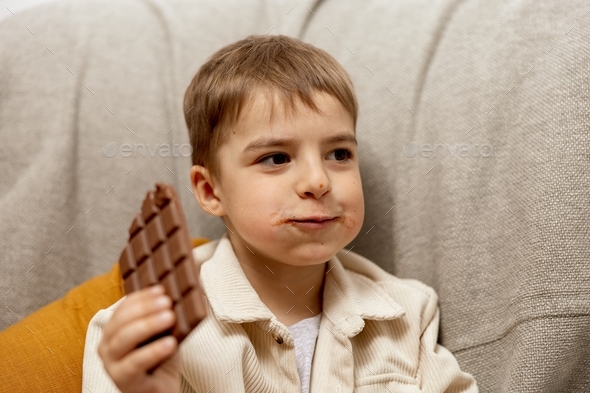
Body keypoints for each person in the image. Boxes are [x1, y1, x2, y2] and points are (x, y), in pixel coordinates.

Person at [82, 34, 478, 393]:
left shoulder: (407, 314)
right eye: (276, 158)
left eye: (339, 154)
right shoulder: (141, 337)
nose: (317, 181)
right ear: (210, 190)